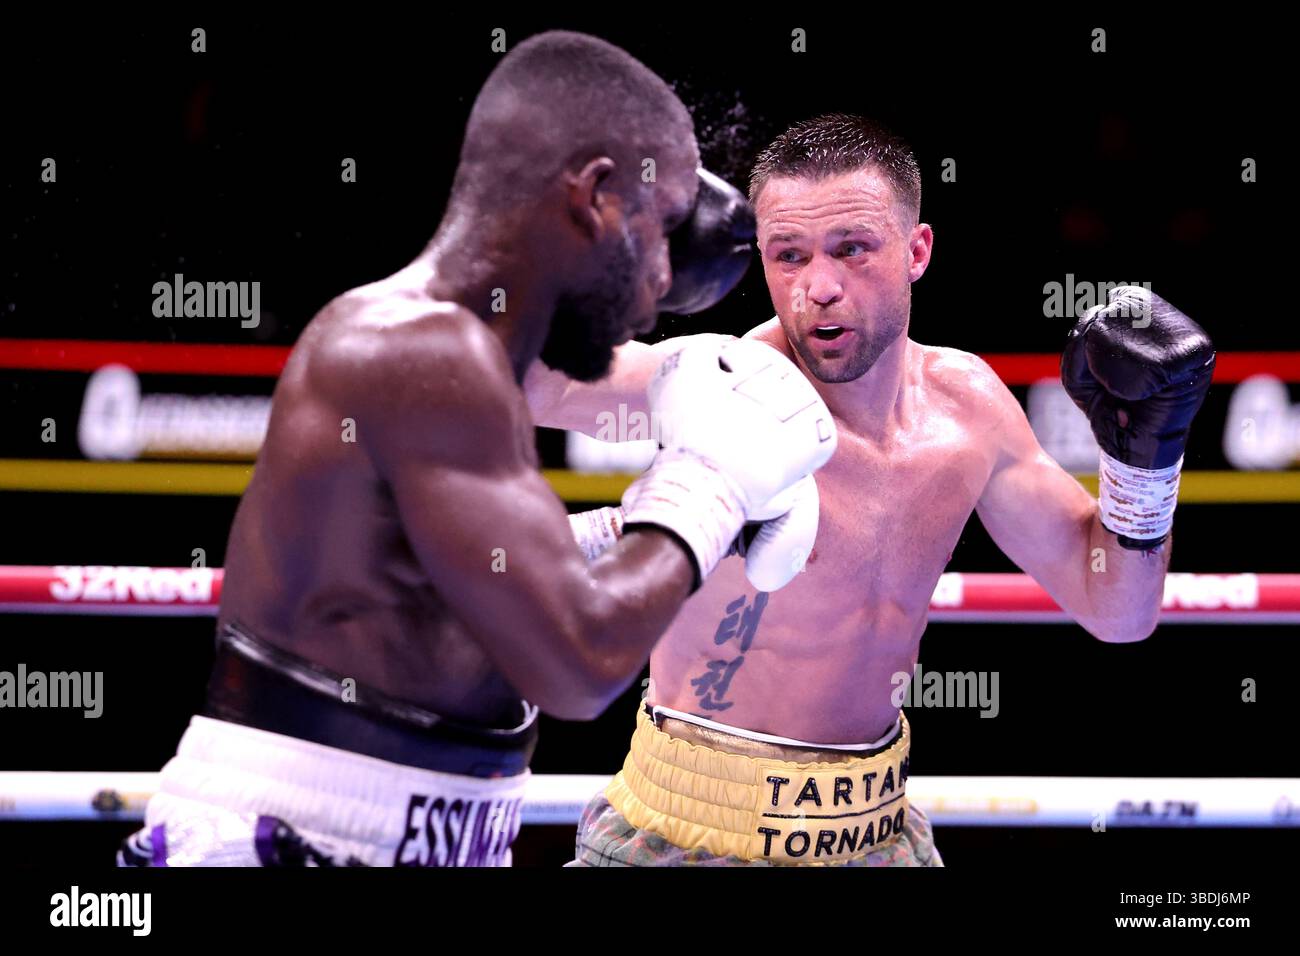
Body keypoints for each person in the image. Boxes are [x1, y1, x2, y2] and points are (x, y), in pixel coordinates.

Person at [117, 32, 834, 868]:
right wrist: (710, 485)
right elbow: (579, 661)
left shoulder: (468, 368)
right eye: (663, 226)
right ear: (598, 197)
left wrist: (632, 523)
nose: (670, 280)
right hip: (298, 834)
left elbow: (453, 597)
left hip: (423, 831)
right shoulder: (420, 349)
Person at [525, 113, 1216, 866]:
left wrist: (1143, 469)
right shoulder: (720, 383)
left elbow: (1118, 611)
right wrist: (607, 272)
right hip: (688, 830)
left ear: (917, 250)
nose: (818, 287)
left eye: (852, 249)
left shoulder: (970, 411)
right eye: (788, 256)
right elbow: (528, 382)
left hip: (877, 833)